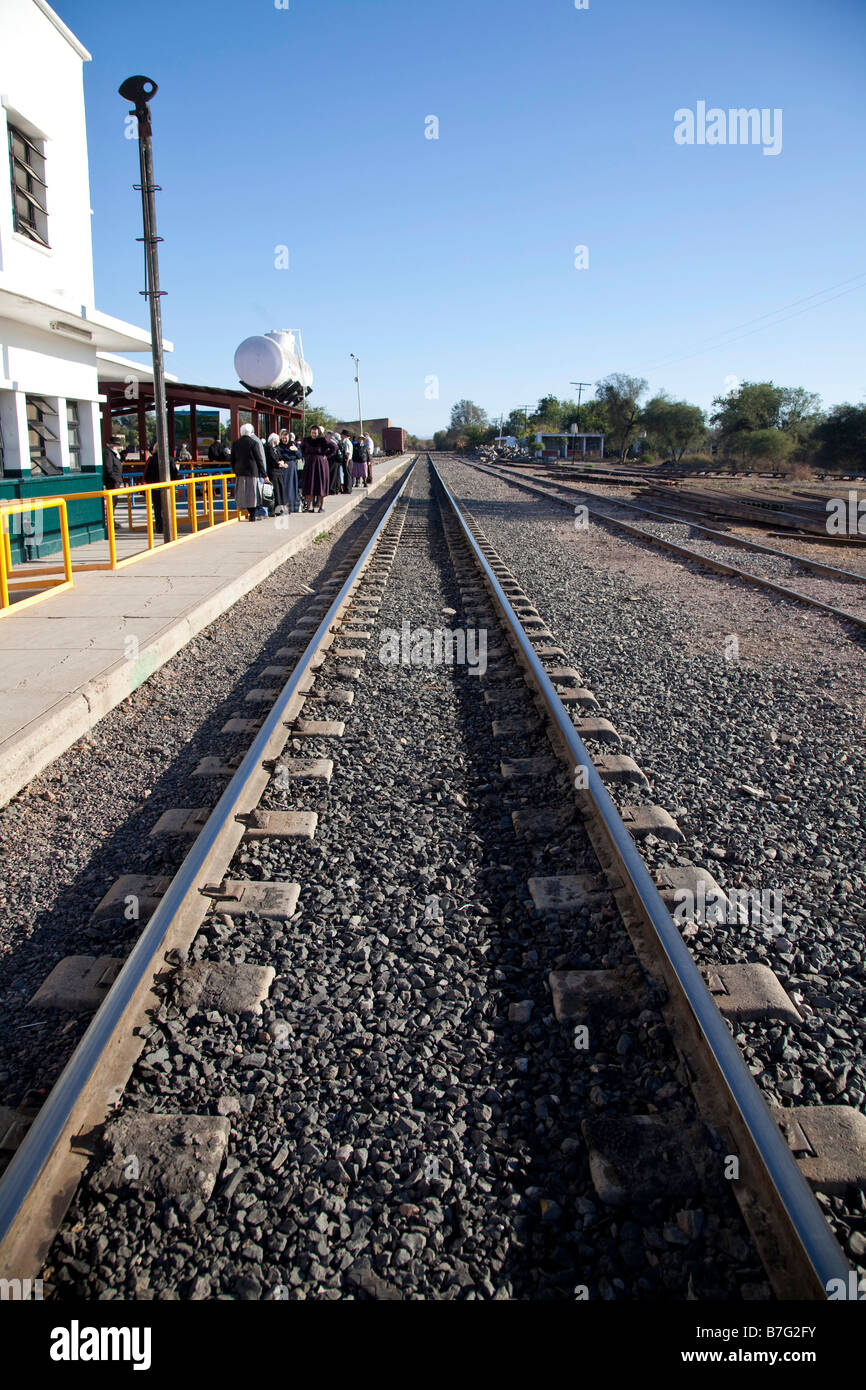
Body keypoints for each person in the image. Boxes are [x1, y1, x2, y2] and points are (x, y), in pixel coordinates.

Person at [230, 422, 267, 521]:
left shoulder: (235, 443)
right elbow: (259, 459)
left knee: (243, 494)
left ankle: (249, 513)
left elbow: (232, 459)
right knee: (253, 495)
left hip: (240, 473)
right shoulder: (254, 443)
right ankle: (253, 514)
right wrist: (264, 474)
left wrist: (235, 470)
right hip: (253, 472)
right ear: (251, 432)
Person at [144, 445, 181, 532]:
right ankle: (170, 527)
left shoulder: (151, 460)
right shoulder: (170, 459)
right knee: (169, 508)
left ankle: (159, 528)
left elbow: (146, 475)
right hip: (168, 487)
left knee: (157, 509)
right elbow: (174, 473)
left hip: (155, 487)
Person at [300, 426, 332, 513]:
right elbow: (302, 448)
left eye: (315, 432)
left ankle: (322, 507)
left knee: (321, 485)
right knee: (309, 485)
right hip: (309, 464)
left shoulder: (323, 440)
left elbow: (334, 447)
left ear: (318, 433)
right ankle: (310, 507)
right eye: (312, 432)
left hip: (320, 465)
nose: (314, 434)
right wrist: (305, 456)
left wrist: (327, 454)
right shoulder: (306, 440)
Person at [277, 429, 301, 513]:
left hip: (292, 467)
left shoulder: (293, 444)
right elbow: (279, 455)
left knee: (292, 487)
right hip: (284, 466)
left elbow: (299, 456)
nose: (284, 439)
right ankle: (284, 506)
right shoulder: (279, 446)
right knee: (285, 486)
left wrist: (296, 450)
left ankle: (293, 507)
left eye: (286, 437)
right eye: (283, 437)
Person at [265, 432, 286, 514]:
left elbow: (280, 457)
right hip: (273, 471)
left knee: (280, 490)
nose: (279, 441)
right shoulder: (269, 448)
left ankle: (281, 507)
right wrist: (278, 463)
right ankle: (275, 509)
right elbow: (272, 458)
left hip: (279, 471)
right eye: (277, 439)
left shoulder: (277, 448)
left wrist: (282, 462)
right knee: (276, 491)